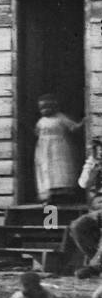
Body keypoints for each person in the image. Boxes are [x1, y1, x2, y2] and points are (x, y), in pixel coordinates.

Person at [34, 93, 84, 203]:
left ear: (54, 107)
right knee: (46, 169)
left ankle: (63, 195)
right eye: (42, 108)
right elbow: (36, 133)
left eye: (48, 107)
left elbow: (73, 127)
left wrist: (84, 122)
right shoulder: (41, 121)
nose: (45, 110)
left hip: (60, 148)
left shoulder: (61, 117)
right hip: (44, 149)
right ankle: (49, 195)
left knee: (61, 169)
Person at [68, 138, 102, 277]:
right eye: (98, 149)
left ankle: (95, 267)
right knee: (77, 226)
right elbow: (83, 183)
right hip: (98, 208)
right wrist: (94, 167)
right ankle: (97, 262)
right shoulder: (93, 162)